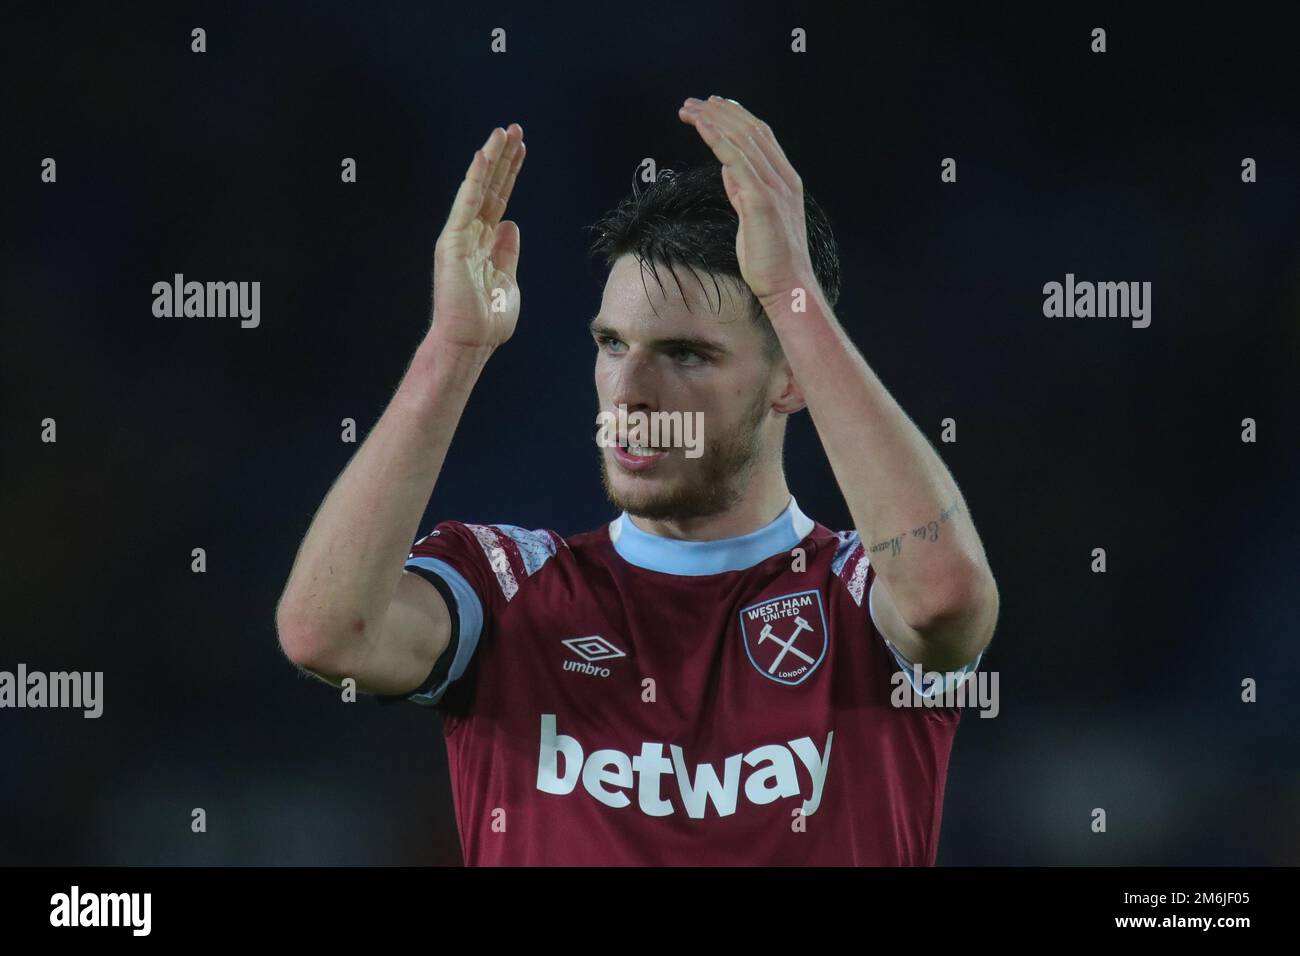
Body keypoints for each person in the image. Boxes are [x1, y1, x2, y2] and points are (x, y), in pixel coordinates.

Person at [275, 96, 1000, 865]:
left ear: (790, 379)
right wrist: (454, 346)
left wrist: (793, 292)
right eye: (613, 344)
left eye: (685, 354)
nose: (629, 391)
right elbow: (327, 633)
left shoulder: (857, 597)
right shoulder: (507, 587)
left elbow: (946, 594)